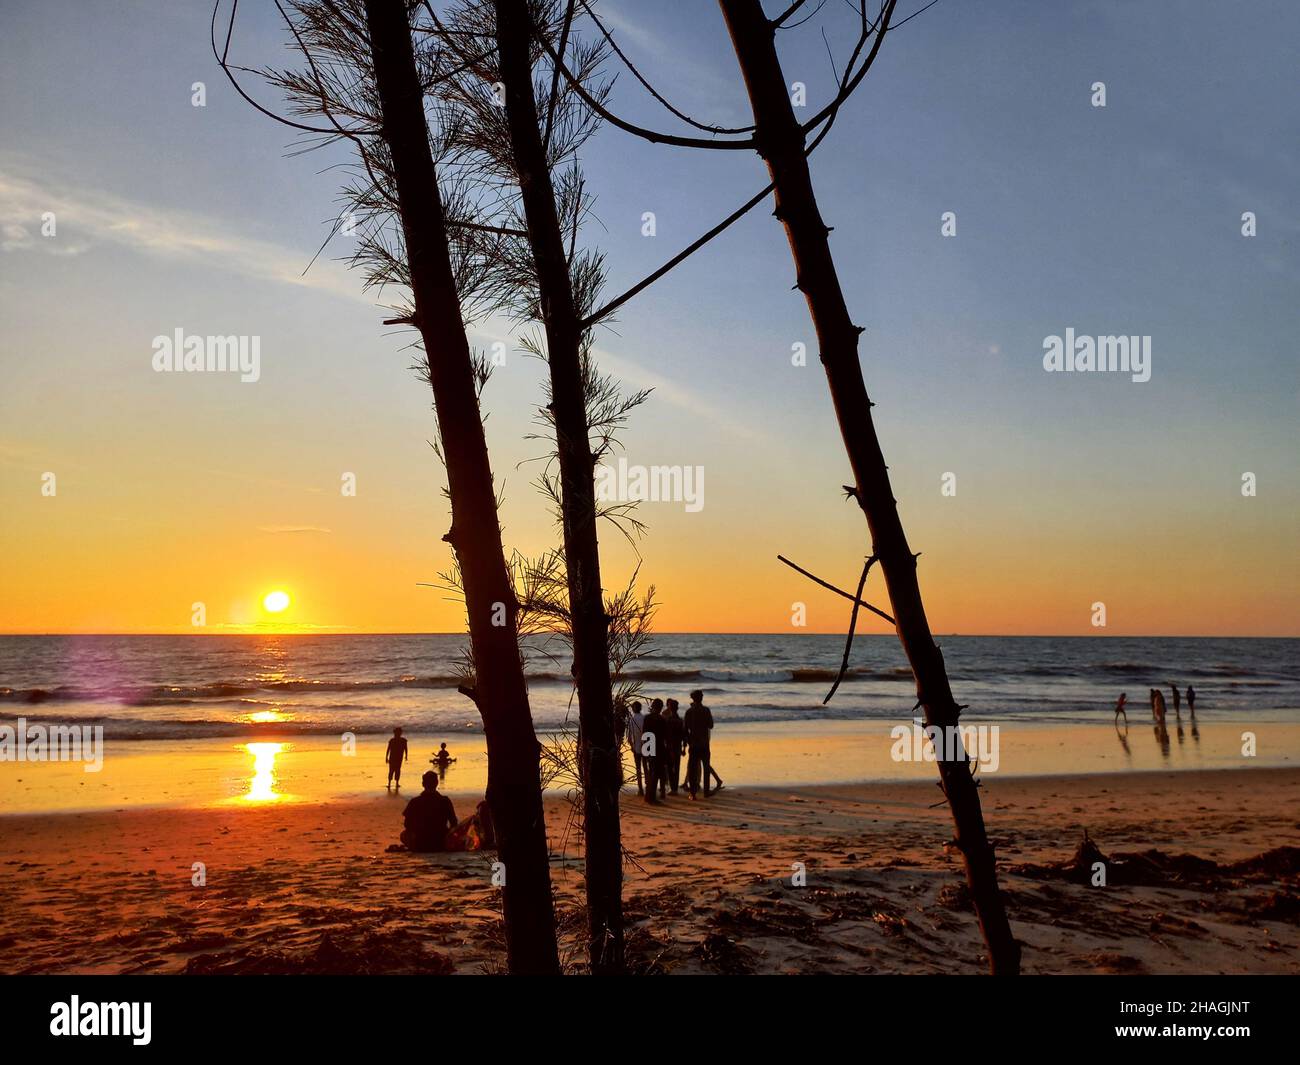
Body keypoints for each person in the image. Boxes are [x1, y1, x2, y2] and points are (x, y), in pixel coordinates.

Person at [400, 771, 458, 852]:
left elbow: (407, 824)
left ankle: (415, 845)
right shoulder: (445, 801)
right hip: (440, 840)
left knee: (404, 834)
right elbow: (454, 822)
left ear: (423, 784)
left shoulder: (415, 801)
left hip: (421, 840)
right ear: (437, 783)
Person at [683, 689, 714, 799]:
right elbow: (711, 725)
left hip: (694, 744)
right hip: (704, 743)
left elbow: (685, 730)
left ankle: (693, 793)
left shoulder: (689, 712)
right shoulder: (706, 710)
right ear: (701, 698)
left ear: (692, 699)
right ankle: (706, 792)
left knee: (692, 769)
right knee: (705, 768)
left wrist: (686, 743)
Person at [642, 699, 666, 803]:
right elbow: (664, 737)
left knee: (650, 771)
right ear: (661, 708)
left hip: (649, 745)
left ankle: (648, 795)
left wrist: (645, 748)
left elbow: (645, 733)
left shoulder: (647, 718)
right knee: (655, 773)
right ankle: (651, 797)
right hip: (658, 747)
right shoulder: (661, 719)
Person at [661, 698, 685, 796]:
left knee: (670, 768)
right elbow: (684, 735)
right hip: (678, 746)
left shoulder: (668, 720)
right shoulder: (680, 720)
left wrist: (665, 745)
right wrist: (684, 748)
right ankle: (675, 788)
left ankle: (673, 788)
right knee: (677, 767)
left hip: (669, 747)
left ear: (670, 708)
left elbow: (665, 736)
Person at [625, 701, 646, 796]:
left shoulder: (632, 720)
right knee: (646, 768)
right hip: (646, 745)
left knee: (638, 768)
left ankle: (640, 788)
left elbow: (629, 737)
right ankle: (648, 786)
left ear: (633, 709)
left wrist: (632, 747)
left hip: (636, 746)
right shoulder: (645, 718)